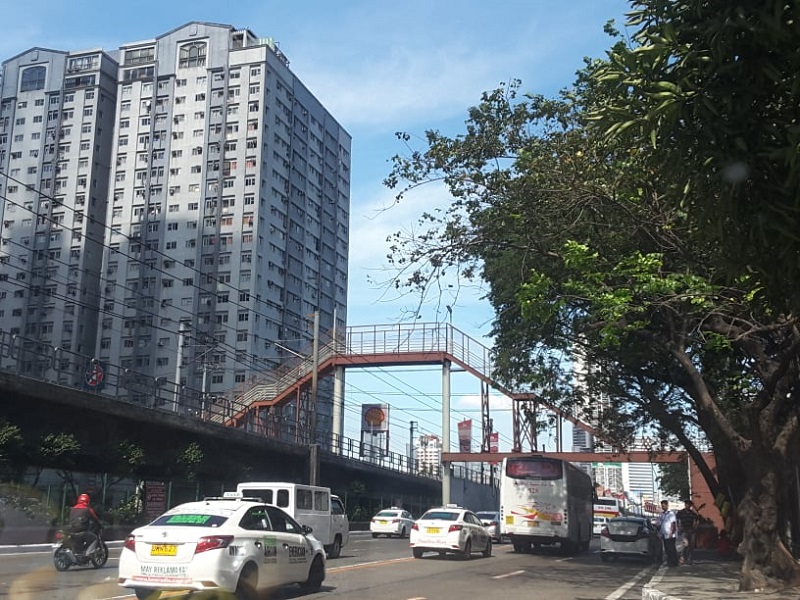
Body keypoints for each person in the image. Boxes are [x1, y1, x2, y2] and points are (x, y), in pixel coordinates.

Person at [676, 499, 700, 565]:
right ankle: (682, 558)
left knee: (691, 545)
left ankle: (690, 559)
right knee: (685, 544)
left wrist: (695, 527)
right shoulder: (680, 512)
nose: (687, 505)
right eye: (686, 504)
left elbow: (697, 520)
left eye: (689, 504)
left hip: (691, 531)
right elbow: (677, 520)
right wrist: (679, 527)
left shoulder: (693, 513)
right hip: (684, 531)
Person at [659, 500, 679, 567]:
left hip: (670, 535)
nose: (662, 507)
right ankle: (669, 561)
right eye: (662, 505)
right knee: (667, 549)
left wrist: (671, 533)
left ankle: (674, 562)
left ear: (667, 505)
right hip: (664, 534)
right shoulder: (662, 514)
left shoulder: (671, 514)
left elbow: (673, 524)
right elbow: (661, 524)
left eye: (664, 505)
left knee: (671, 549)